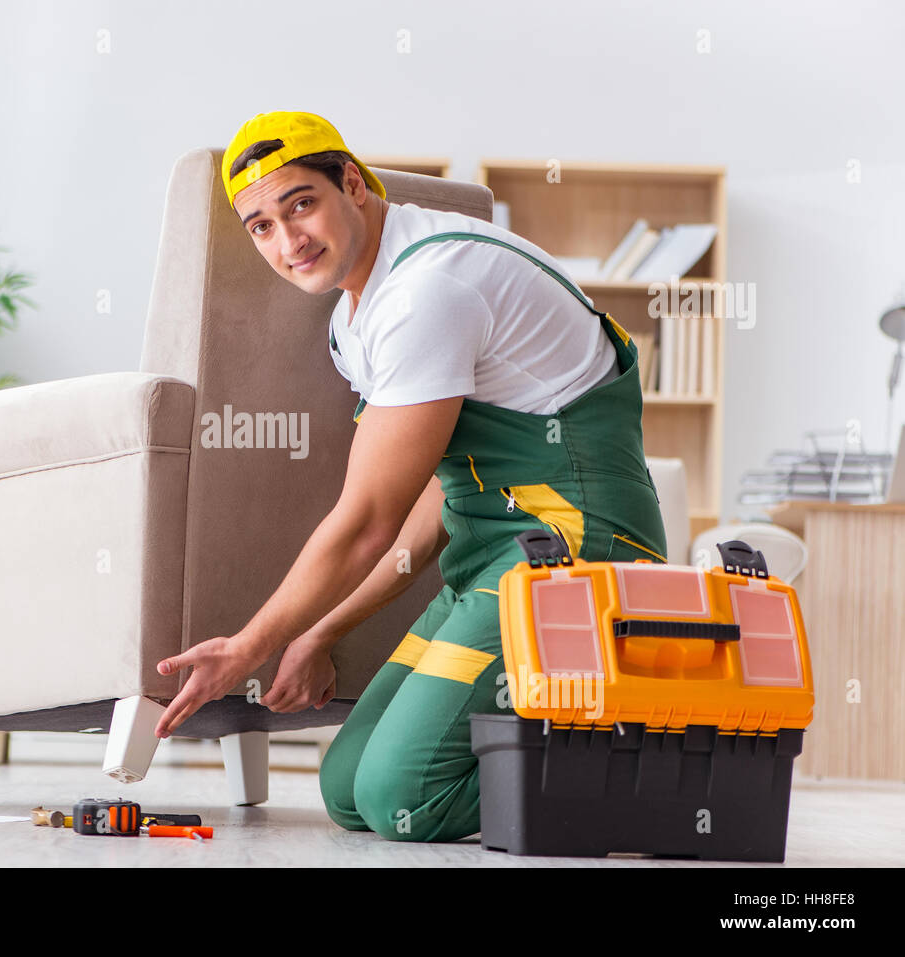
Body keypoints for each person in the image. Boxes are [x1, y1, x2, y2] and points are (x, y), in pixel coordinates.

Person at [153, 110, 667, 842]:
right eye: (262, 226)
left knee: (405, 794)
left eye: (301, 204)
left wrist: (248, 647)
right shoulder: (354, 319)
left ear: (352, 184)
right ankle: (571, 737)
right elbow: (420, 499)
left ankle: (646, 757)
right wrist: (321, 630)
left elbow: (367, 520)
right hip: (491, 561)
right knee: (349, 790)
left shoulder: (427, 291)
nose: (289, 241)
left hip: (577, 554)